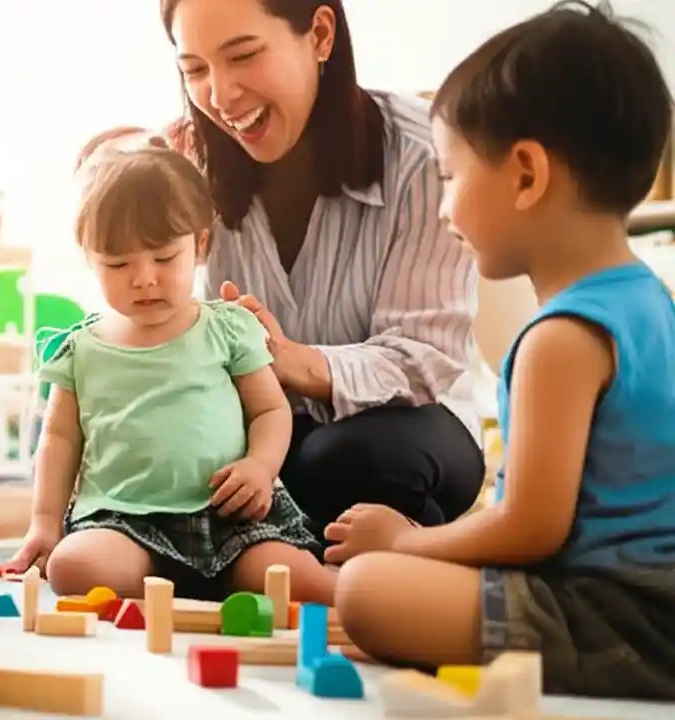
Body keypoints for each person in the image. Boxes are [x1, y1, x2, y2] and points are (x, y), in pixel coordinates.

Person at [328, 2, 675, 699]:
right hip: (639, 598)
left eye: (451, 177)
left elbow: (531, 528)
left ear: (525, 175)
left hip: (623, 618)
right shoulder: (650, 303)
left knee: (368, 588)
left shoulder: (561, 339)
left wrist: (404, 543)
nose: (443, 208)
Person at [160, 0, 485, 535]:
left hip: (410, 422)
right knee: (200, 469)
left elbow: (424, 358)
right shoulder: (188, 161)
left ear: (320, 34)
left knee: (337, 461)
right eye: (195, 70)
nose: (219, 97)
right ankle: (366, 556)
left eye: (242, 56)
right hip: (261, 426)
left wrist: (294, 362)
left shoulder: (423, 157)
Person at [6, 146, 335, 603]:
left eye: (163, 258)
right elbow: (59, 440)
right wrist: (45, 522)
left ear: (199, 246)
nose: (143, 278)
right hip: (122, 521)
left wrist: (260, 467)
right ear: (89, 259)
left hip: (230, 519)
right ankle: (175, 580)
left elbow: (270, 409)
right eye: (118, 264)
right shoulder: (80, 348)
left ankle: (367, 586)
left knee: (302, 580)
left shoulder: (226, 326)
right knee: (72, 567)